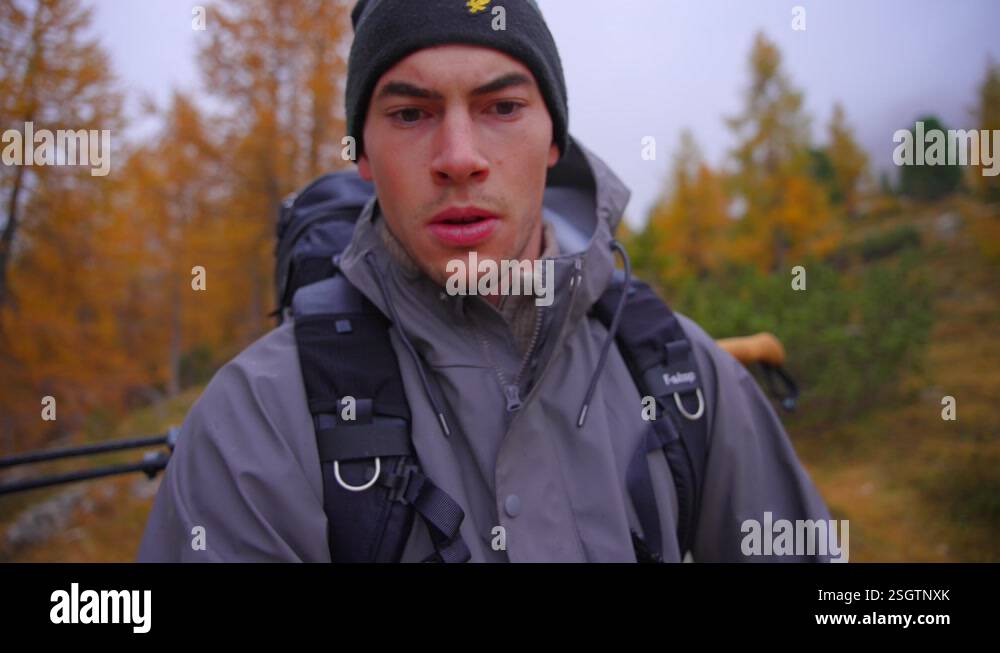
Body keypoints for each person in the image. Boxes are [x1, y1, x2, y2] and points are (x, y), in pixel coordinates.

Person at [138, 0, 832, 563]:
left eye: (502, 107)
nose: (460, 157)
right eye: (410, 113)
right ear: (365, 157)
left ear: (554, 141)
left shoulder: (679, 374)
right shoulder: (253, 425)